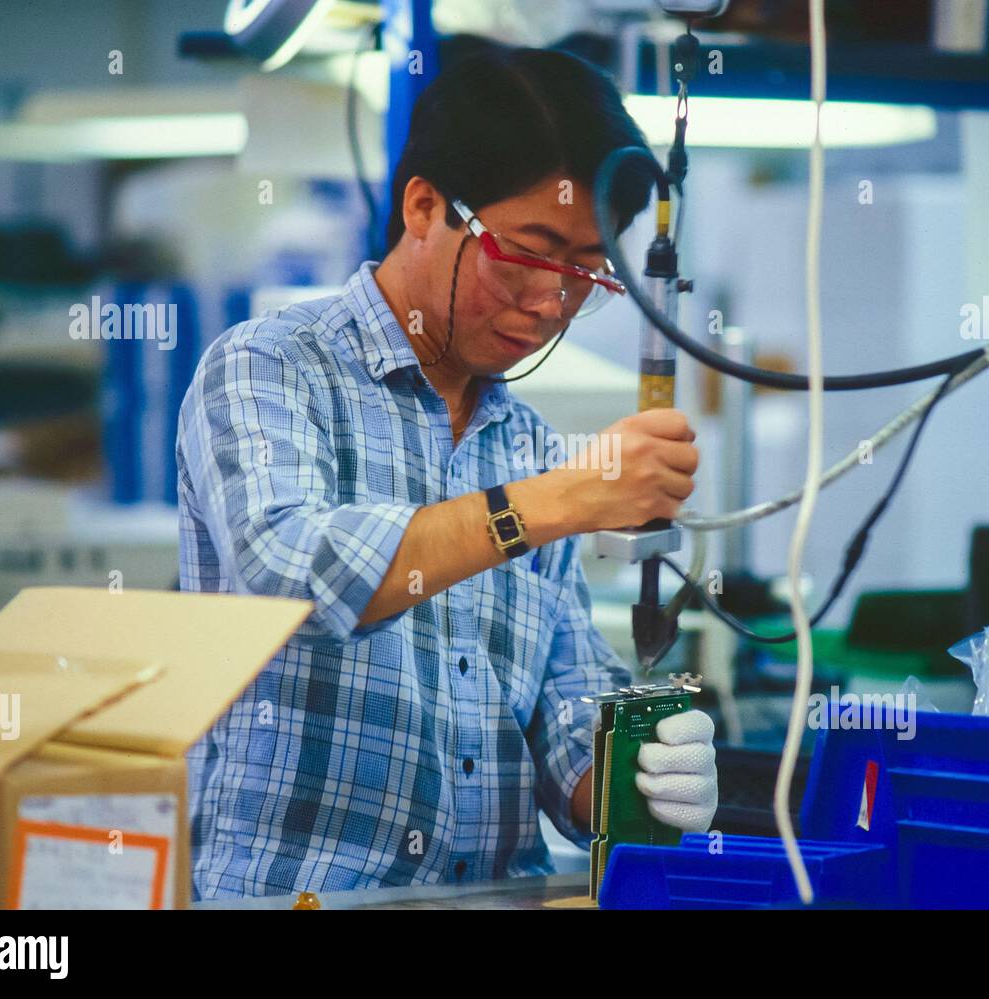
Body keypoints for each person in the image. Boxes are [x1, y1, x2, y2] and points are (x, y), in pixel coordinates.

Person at [177, 41, 716, 899]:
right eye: (535, 254)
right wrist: (561, 499)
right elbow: (292, 575)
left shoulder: (528, 444)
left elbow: (563, 713)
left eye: (588, 273)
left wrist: (638, 771)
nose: (552, 304)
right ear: (425, 207)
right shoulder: (267, 367)